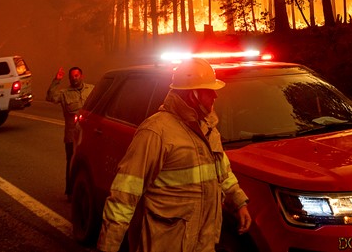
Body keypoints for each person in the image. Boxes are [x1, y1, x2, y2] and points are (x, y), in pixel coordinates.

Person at [96, 57, 252, 252]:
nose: (215, 96)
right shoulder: (156, 132)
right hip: (165, 243)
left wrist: (238, 202)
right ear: (192, 95)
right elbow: (124, 195)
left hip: (202, 243)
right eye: (208, 91)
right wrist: (108, 246)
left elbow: (222, 170)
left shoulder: (208, 128)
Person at [46, 65, 94, 196]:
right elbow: (50, 97)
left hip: (89, 134)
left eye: (76, 76)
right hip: (71, 135)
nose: (74, 79)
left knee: (90, 163)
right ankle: (70, 191)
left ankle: (88, 191)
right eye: (72, 76)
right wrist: (56, 80)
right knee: (72, 162)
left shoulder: (91, 90)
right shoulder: (64, 93)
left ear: (81, 76)